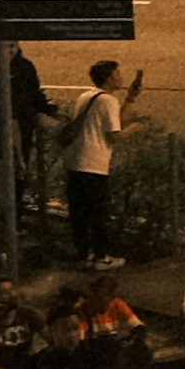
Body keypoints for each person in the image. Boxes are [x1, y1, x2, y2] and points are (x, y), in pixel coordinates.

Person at [63, 63, 136, 263]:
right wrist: (136, 128)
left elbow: (114, 120)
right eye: (117, 73)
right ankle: (101, 257)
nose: (121, 77)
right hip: (94, 163)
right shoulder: (108, 100)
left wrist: (130, 99)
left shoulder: (86, 97)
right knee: (97, 214)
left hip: (76, 161)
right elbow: (115, 134)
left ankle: (83, 255)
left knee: (79, 214)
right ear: (109, 78)